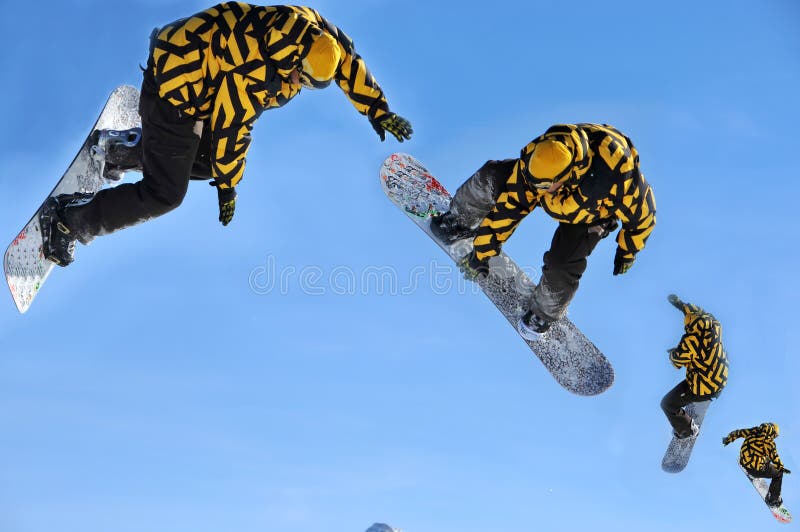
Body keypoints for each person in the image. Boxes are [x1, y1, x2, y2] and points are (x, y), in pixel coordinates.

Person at [40, 3, 413, 266]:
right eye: (304, 80)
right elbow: (231, 131)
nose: (302, 87)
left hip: (192, 68)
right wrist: (229, 188)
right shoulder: (256, 71)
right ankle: (70, 221)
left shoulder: (308, 28)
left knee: (203, 165)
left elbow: (344, 58)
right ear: (295, 63)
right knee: (166, 195)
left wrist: (378, 111)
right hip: (175, 90)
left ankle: (121, 149)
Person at [430, 123, 655, 336]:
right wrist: (482, 252)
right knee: (492, 175)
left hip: (591, 211)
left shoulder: (617, 180)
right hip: (559, 190)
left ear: (566, 175)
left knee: (562, 264)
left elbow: (644, 216)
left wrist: (627, 251)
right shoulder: (540, 157)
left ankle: (544, 314)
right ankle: (458, 220)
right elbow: (511, 207)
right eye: (536, 184)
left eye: (545, 186)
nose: (539, 190)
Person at [660, 294, 728, 439]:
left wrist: (673, 353)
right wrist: (679, 304)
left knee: (667, 404)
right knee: (706, 359)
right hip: (720, 377)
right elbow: (693, 310)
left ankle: (688, 430)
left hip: (704, 386)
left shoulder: (691, 340)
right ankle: (707, 395)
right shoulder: (715, 324)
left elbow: (676, 362)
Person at [724, 422, 791, 507]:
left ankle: (751, 470)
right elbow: (774, 457)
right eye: (775, 436)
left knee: (765, 457)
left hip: (744, 461)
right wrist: (781, 468)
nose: (774, 438)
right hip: (755, 470)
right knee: (778, 474)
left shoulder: (755, 430)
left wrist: (729, 438)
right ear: (773, 433)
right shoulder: (768, 441)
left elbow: (739, 432)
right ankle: (773, 500)